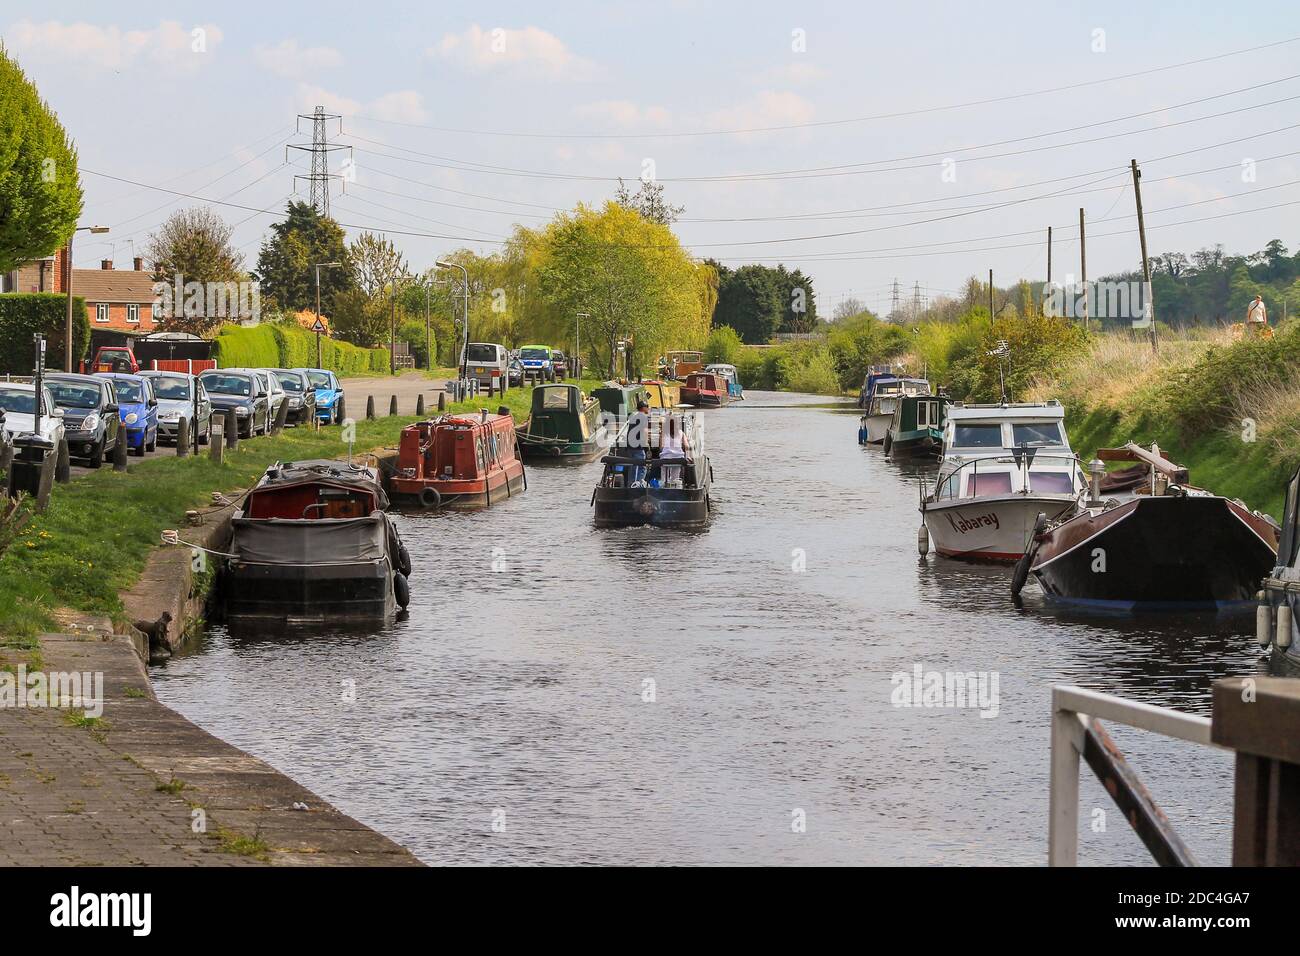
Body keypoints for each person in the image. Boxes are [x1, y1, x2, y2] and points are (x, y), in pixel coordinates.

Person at [626, 398, 652, 485]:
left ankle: (631, 484)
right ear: (643, 408)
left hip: (630, 446)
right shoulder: (643, 416)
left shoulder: (634, 416)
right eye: (647, 407)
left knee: (633, 466)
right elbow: (644, 431)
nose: (648, 408)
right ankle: (638, 484)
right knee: (641, 466)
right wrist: (647, 444)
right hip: (637, 447)